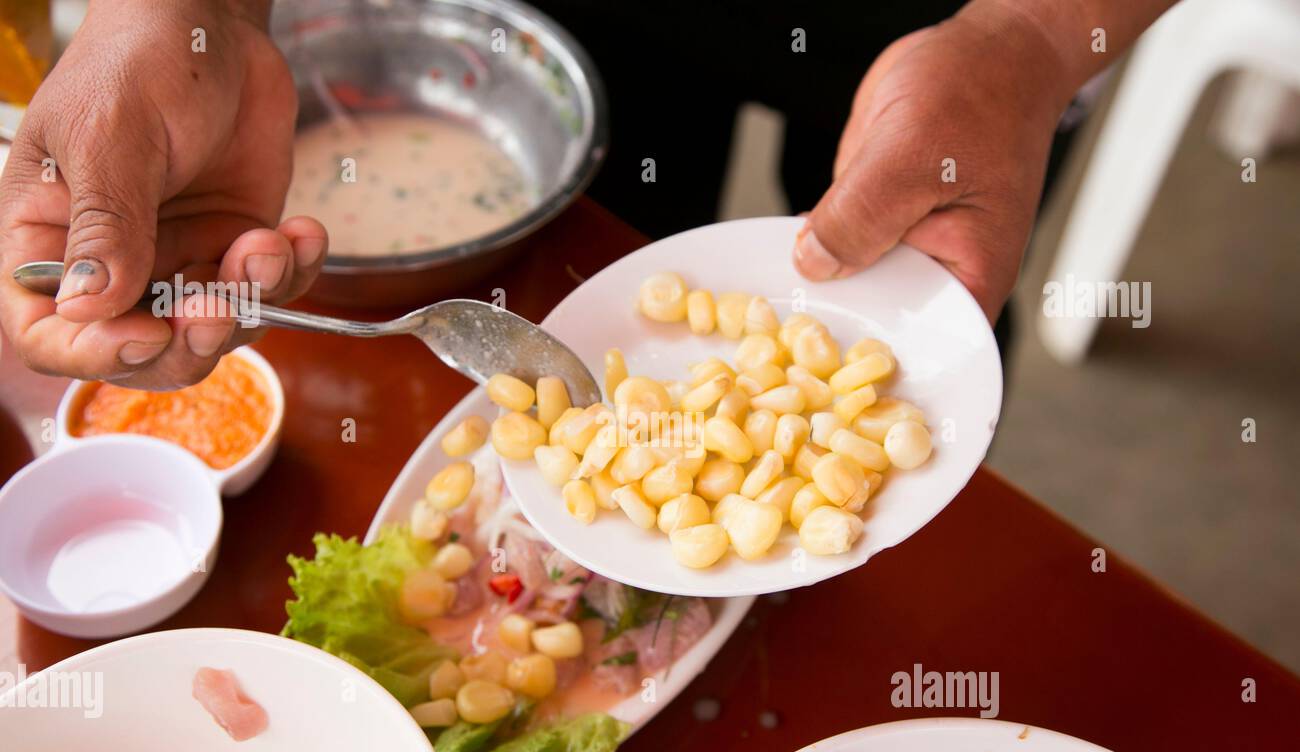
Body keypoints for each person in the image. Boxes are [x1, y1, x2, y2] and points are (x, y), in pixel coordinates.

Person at [0, 0, 1174, 391]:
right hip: (593, 23)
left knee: (907, 308)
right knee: (625, 302)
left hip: (959, 21)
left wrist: (1029, 34)